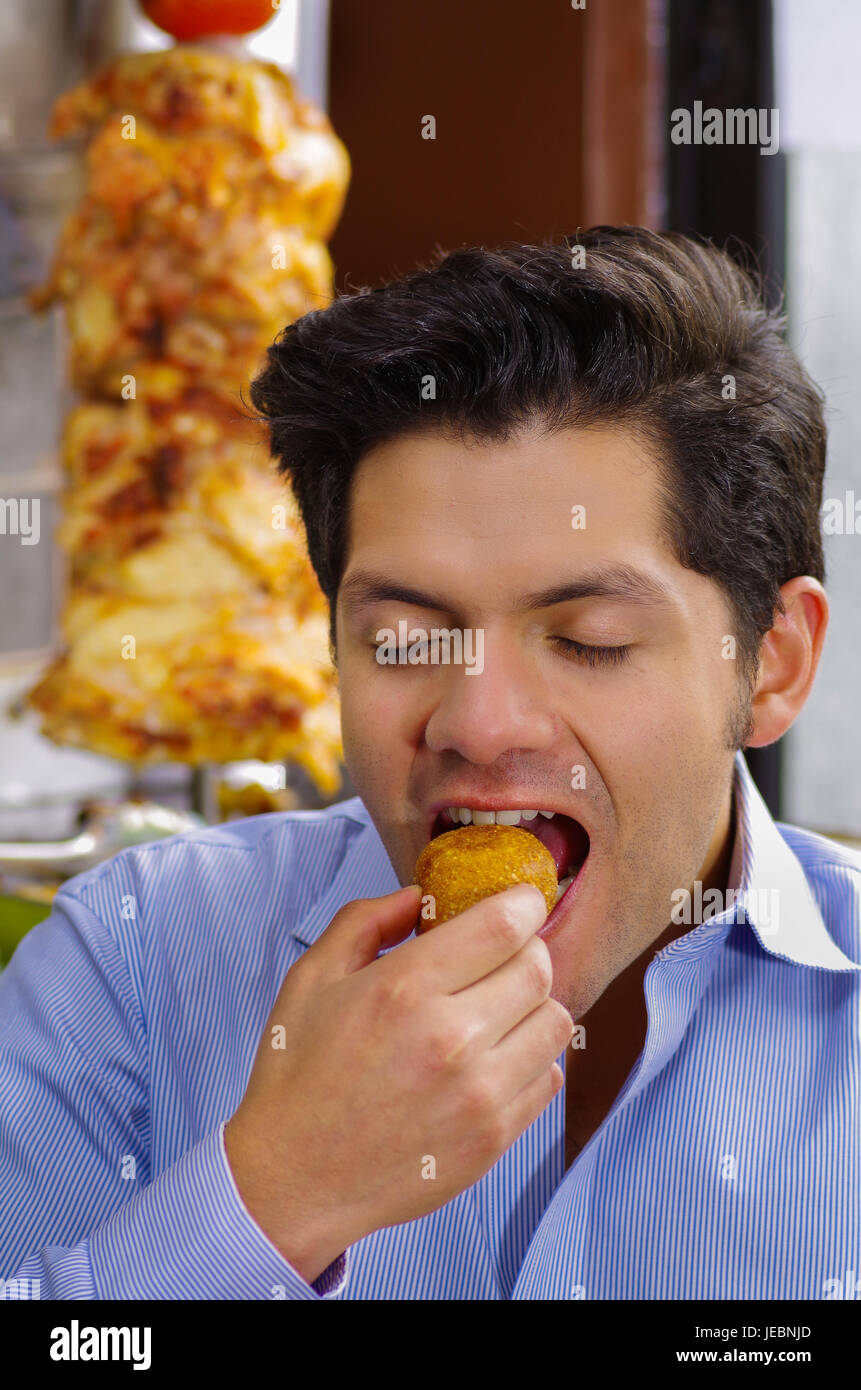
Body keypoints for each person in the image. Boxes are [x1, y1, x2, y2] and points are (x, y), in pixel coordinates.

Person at [2, 228, 858, 1301]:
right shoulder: (127, 969)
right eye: (405, 642)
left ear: (772, 664)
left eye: (589, 637)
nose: (481, 724)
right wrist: (271, 1197)